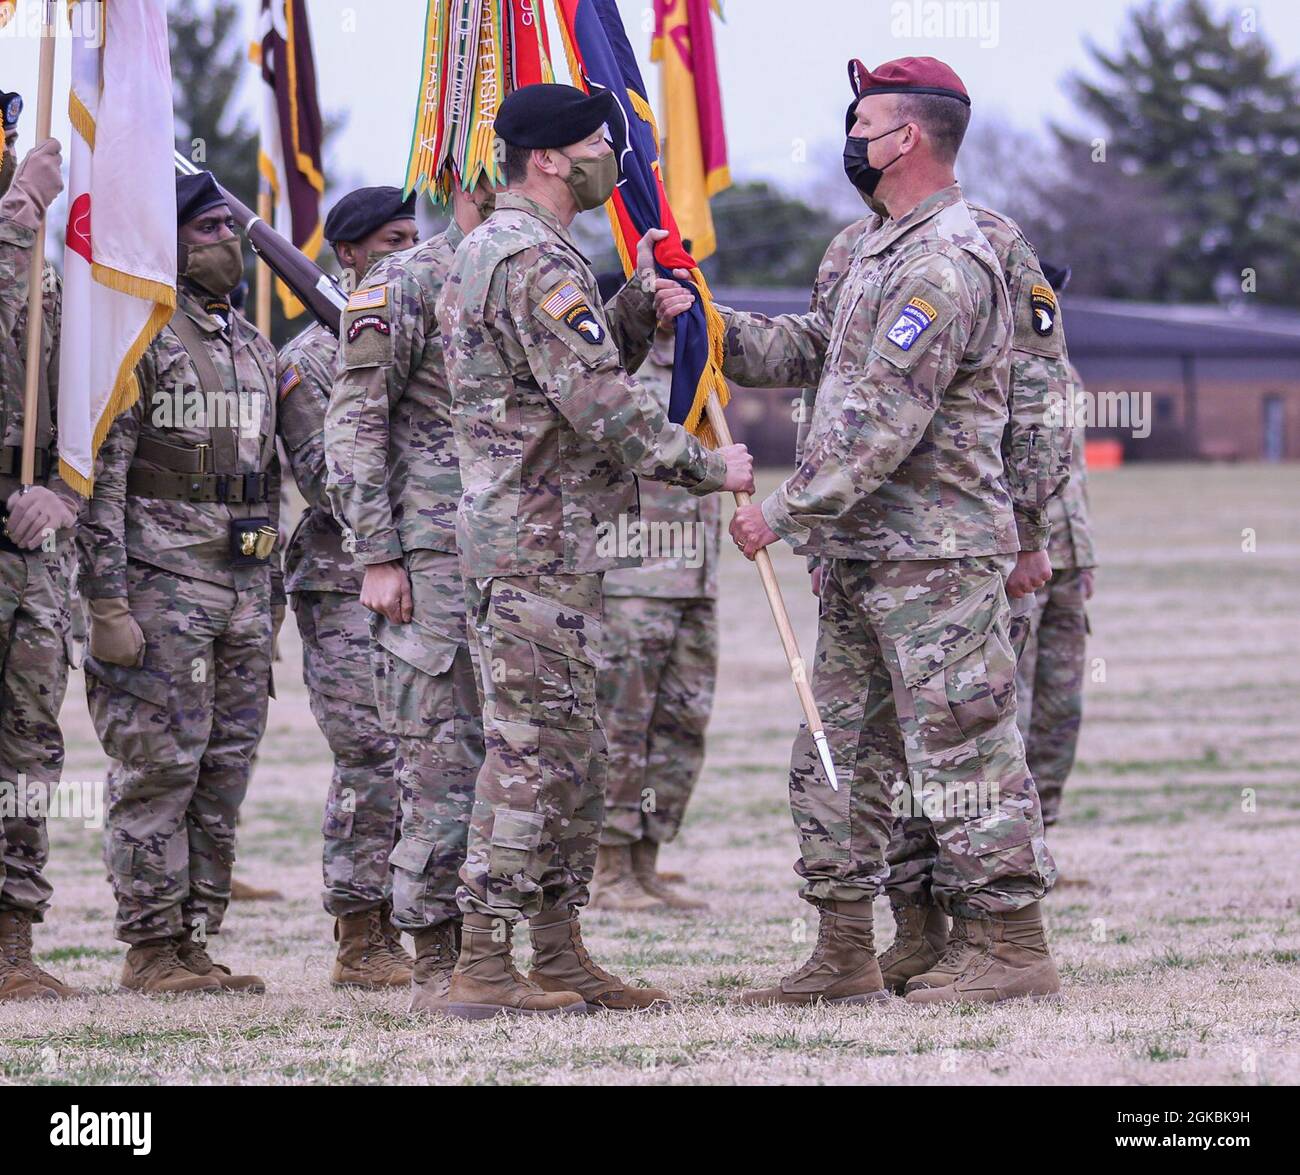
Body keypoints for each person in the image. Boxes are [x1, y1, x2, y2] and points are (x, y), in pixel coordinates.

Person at [717, 56, 1059, 1006]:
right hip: (859, 553)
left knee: (962, 750)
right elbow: (811, 354)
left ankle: (1011, 948)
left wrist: (778, 513)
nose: (851, 139)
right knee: (836, 751)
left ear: (907, 137)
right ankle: (842, 949)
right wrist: (702, 324)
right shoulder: (865, 247)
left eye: (864, 123)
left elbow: (880, 418)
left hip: (934, 556)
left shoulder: (948, 261)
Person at [435, 82, 753, 1018]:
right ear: (548, 158)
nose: (608, 159)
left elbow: (553, 381)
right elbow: (600, 411)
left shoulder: (502, 250)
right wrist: (707, 466)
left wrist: (628, 317)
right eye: (595, 145)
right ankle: (484, 962)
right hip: (535, 544)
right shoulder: (534, 260)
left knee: (571, 754)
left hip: (545, 540)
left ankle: (559, 948)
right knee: (532, 755)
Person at [80, 172, 281, 995]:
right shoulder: (142, 342)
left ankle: (196, 936)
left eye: (229, 229)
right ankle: (150, 945)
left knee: (224, 768)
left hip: (240, 588)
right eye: (206, 232)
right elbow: (104, 477)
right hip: (161, 584)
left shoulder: (255, 346)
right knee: (159, 766)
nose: (227, 243)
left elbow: (266, 473)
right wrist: (105, 600)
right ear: (168, 245)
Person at [326, 175, 495, 1012]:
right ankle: (434, 955)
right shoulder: (406, 282)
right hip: (428, 559)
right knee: (437, 756)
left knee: (519, 757)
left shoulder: (526, 270)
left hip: (515, 558)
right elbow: (352, 425)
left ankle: (504, 947)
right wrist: (377, 553)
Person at [279, 186, 419, 988]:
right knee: (369, 750)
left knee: (430, 749)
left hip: (428, 573)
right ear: (350, 257)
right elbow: (327, 479)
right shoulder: (310, 360)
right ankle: (360, 931)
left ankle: (426, 915)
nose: (405, 251)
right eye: (389, 240)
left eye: (413, 236)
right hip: (341, 580)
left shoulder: (431, 339)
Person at [589, 275, 720, 914]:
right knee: (622, 726)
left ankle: (648, 859)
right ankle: (608, 865)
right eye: (667, 290)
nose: (682, 301)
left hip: (695, 577)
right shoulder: (615, 364)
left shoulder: (703, 363)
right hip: (633, 577)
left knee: (681, 726)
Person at [0, 127, 79, 1002]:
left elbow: (90, 391)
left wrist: (68, 488)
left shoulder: (44, 251)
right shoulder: (19, 226)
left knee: (27, 755)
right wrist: (23, 208)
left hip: (32, 537)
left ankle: (11, 942)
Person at [1014, 275, 1096, 833]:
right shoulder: (995, 374)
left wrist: (1085, 556)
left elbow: (1076, 478)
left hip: (1067, 558)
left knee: (1060, 706)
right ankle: (1008, 842)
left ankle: (1045, 835)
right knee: (1007, 706)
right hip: (1018, 560)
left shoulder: (1063, 374)